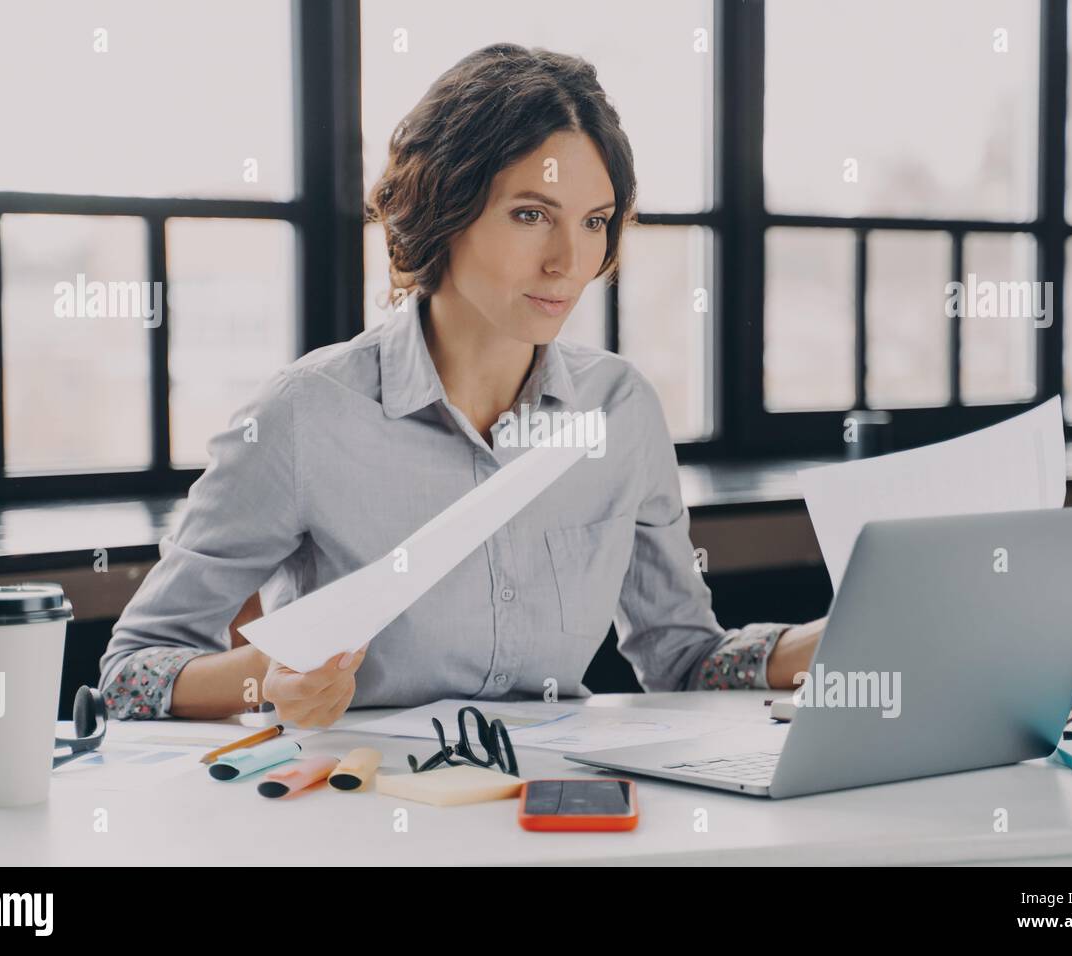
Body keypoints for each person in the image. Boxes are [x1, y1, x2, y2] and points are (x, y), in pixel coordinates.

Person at [97, 43, 825, 727]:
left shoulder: (618, 408)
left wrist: (832, 644)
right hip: (360, 812)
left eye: (595, 221)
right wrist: (264, 677)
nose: (569, 261)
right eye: (531, 215)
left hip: (551, 812)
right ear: (447, 206)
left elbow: (684, 659)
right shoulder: (305, 415)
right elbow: (128, 674)